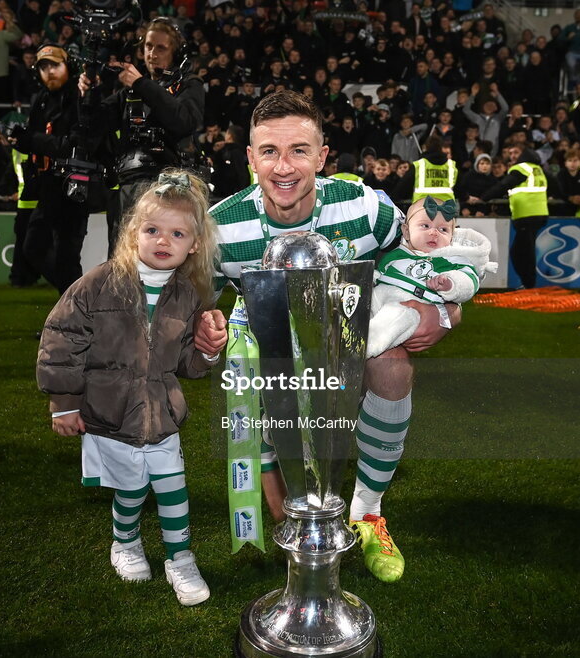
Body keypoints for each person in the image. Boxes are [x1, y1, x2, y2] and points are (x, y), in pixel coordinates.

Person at [196, 90, 462, 583]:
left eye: (299, 150)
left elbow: (428, 257)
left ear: (322, 157)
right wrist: (203, 325)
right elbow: (191, 300)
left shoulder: (365, 207)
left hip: (348, 346)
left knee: (393, 365)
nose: (283, 167)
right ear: (251, 157)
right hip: (273, 367)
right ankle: (284, 482)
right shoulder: (220, 228)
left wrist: (444, 310)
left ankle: (368, 511)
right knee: (291, 519)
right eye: (269, 152)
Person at [35, 170, 224, 605]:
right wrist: (64, 403)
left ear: (194, 245)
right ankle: (125, 542)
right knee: (132, 487)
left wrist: (209, 351)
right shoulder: (98, 283)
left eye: (177, 234)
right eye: (152, 230)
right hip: (110, 411)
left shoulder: (188, 295)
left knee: (172, 485)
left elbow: (187, 363)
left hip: (161, 414)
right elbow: (61, 339)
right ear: (133, 232)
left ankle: (180, 557)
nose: (163, 241)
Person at [79, 18, 206, 253]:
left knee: (160, 255)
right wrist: (89, 93)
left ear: (176, 53)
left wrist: (141, 84)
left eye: (161, 48)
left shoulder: (189, 84)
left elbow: (184, 122)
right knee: (121, 256)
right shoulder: (130, 91)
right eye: (148, 46)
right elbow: (91, 128)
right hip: (127, 186)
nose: (152, 54)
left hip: (169, 187)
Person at [10, 44, 93, 295]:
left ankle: (77, 305)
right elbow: (36, 141)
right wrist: (22, 140)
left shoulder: (80, 95)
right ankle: (78, 301)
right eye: (43, 67)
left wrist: (30, 140)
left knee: (66, 256)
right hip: (48, 184)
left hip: (74, 185)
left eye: (55, 65)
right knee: (33, 247)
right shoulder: (42, 99)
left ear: (69, 66)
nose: (50, 72)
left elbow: (73, 145)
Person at [367, 197, 495, 358]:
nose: (434, 233)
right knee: (361, 306)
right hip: (380, 295)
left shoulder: (452, 259)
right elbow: (381, 273)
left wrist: (451, 284)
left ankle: (362, 348)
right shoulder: (397, 254)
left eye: (443, 230)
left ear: (451, 238)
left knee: (392, 319)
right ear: (406, 231)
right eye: (425, 226)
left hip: (410, 305)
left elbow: (469, 281)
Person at [470, 148, 549, 289]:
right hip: (539, 213)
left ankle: (529, 285)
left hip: (527, 214)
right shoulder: (538, 169)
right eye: (510, 153)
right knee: (525, 251)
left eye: (516, 153)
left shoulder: (521, 169)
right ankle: (528, 284)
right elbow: (555, 185)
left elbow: (504, 185)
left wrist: (483, 198)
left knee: (520, 252)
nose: (512, 157)